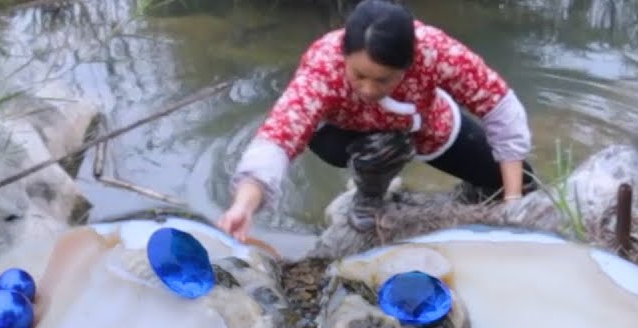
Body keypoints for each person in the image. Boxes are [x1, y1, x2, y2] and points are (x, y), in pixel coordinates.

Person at [217, 0, 537, 241]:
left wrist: (512, 205)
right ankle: (368, 198)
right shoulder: (323, 67)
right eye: (358, 75)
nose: (368, 90)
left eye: (383, 80)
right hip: (340, 134)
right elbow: (278, 137)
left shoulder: (435, 51)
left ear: (408, 64)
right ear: (343, 55)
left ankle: (473, 193)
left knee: (523, 183)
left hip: (424, 122)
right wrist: (244, 206)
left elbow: (498, 106)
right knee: (386, 144)